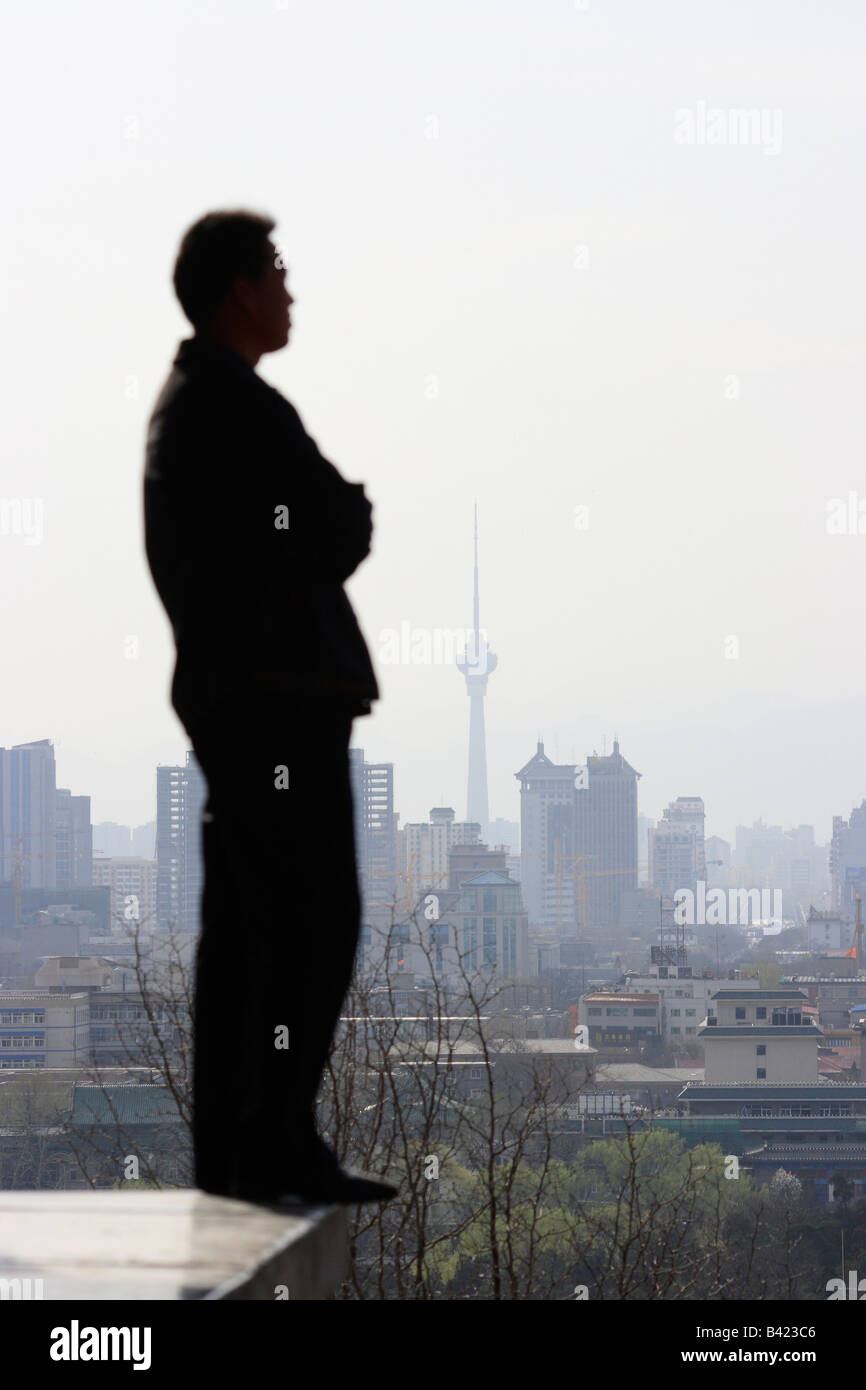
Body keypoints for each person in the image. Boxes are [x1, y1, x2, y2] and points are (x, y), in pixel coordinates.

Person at [144, 209, 395, 1206]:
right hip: (272, 710)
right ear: (238, 288)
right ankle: (269, 1137)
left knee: (259, 928)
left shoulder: (207, 405)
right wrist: (339, 511)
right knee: (306, 917)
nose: (290, 291)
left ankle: (254, 1145)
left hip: (253, 704)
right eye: (278, 272)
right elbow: (334, 523)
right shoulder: (226, 407)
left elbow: (310, 522)